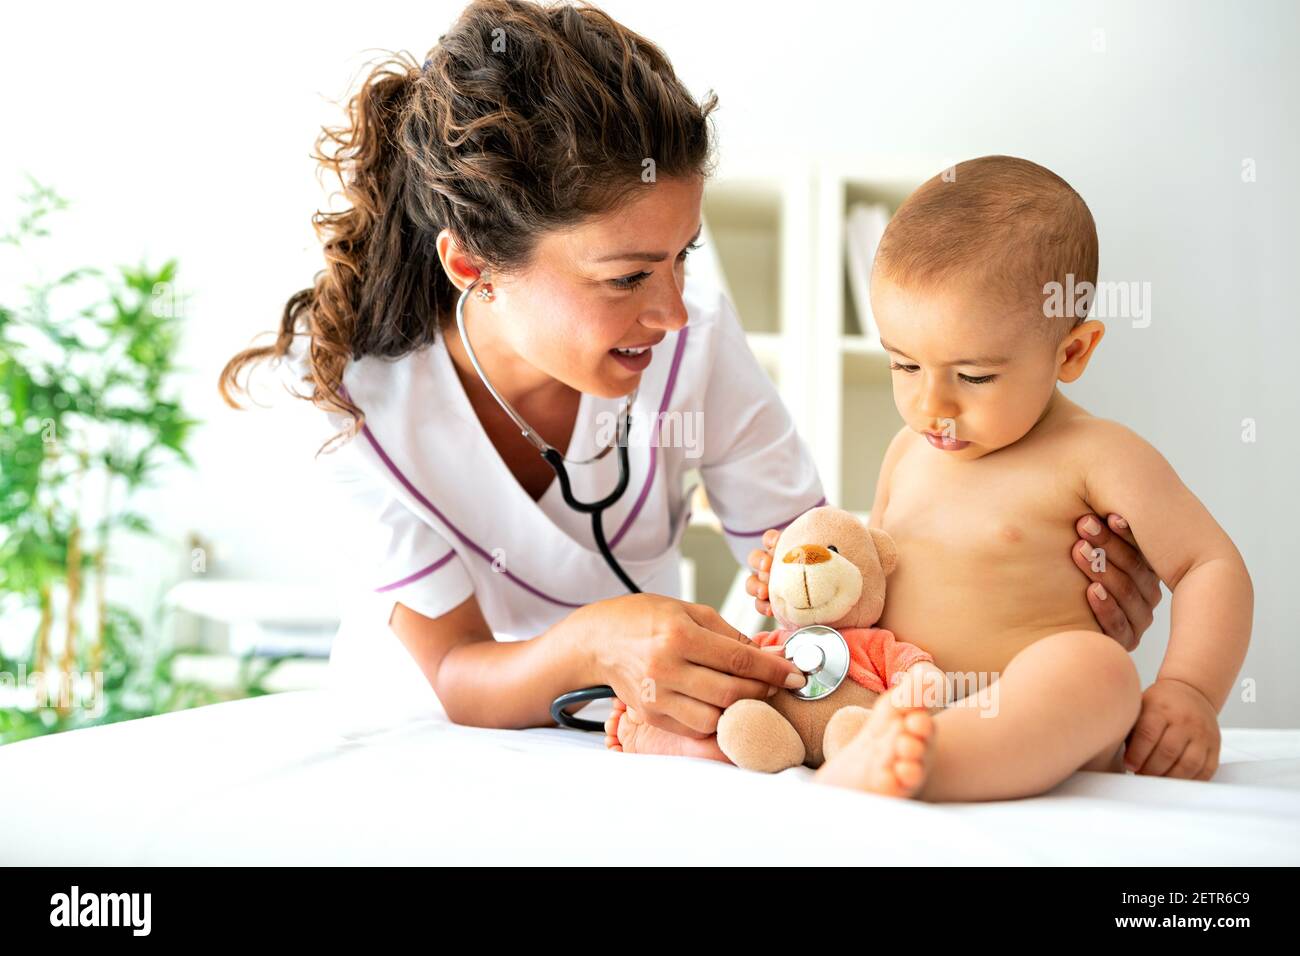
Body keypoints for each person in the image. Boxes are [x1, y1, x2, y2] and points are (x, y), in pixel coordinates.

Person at [219, 2, 1159, 739]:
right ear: (473, 266)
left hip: (631, 753)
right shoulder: (355, 402)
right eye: (627, 276)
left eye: (683, 257)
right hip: (418, 748)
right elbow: (460, 672)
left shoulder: (694, 328)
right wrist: (593, 637)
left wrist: (1029, 599)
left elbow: (812, 572)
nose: (672, 310)